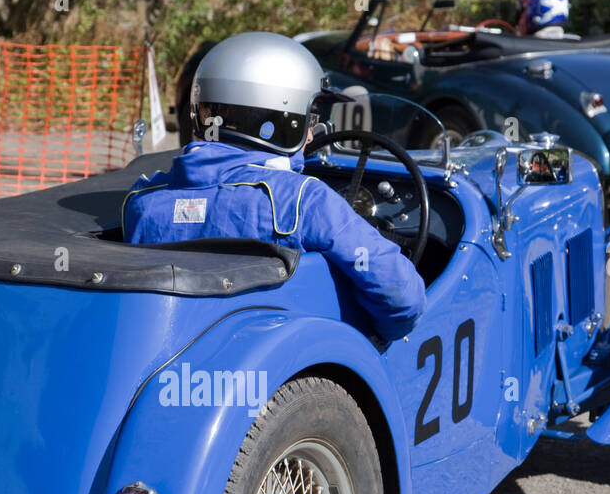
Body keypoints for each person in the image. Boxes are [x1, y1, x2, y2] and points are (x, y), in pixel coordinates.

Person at [122, 31, 427, 343]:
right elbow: (403, 296)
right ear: (280, 118)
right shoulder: (305, 201)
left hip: (169, 348)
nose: (312, 135)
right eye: (308, 119)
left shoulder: (143, 202)